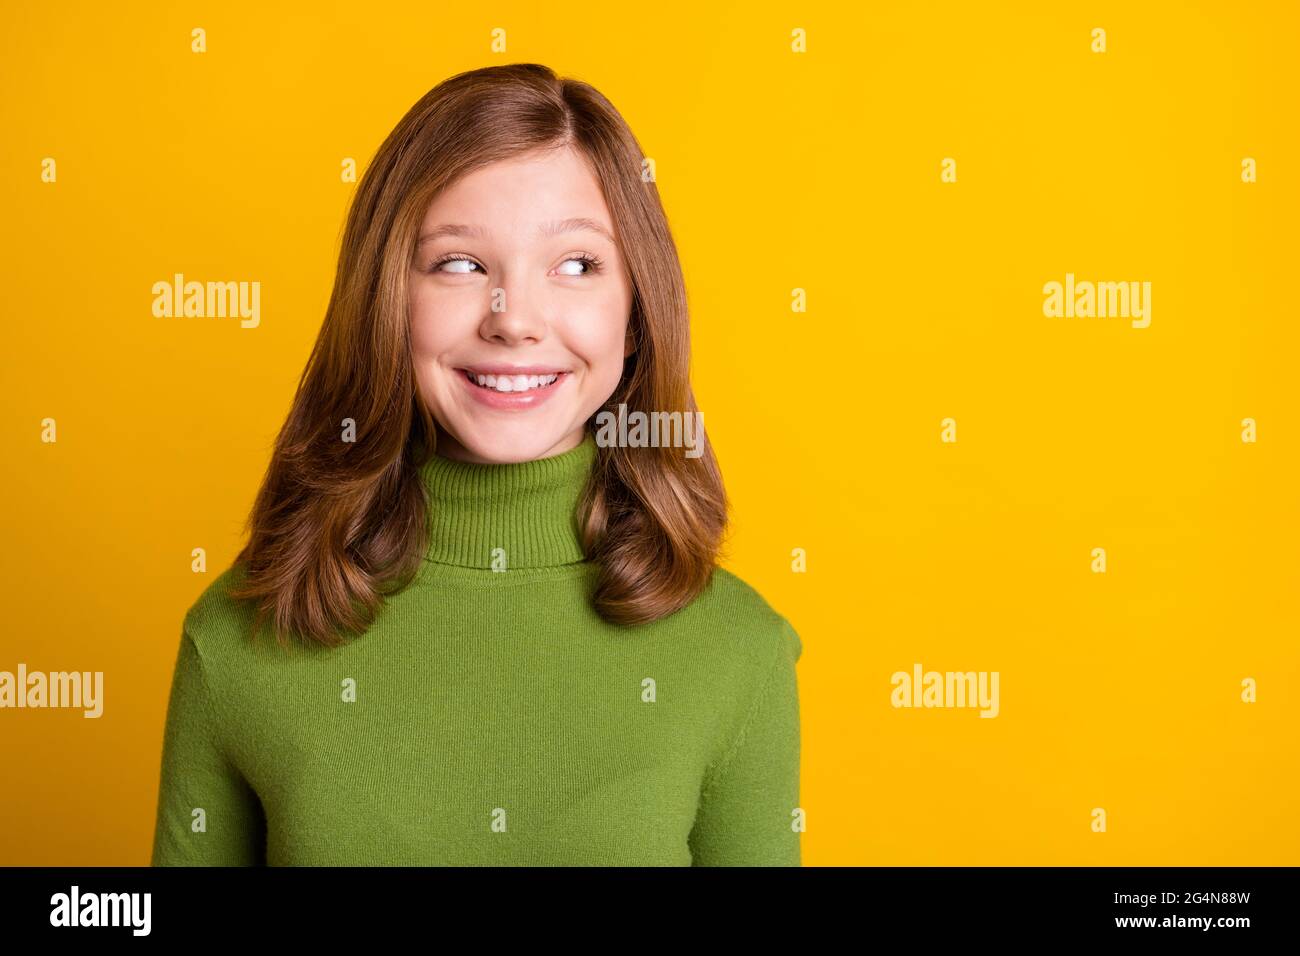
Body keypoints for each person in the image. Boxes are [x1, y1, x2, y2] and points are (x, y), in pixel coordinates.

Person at [150, 62, 803, 866]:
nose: (515, 320)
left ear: (635, 314)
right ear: (385, 301)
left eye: (576, 265)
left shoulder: (738, 652)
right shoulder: (240, 639)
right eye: (460, 264)